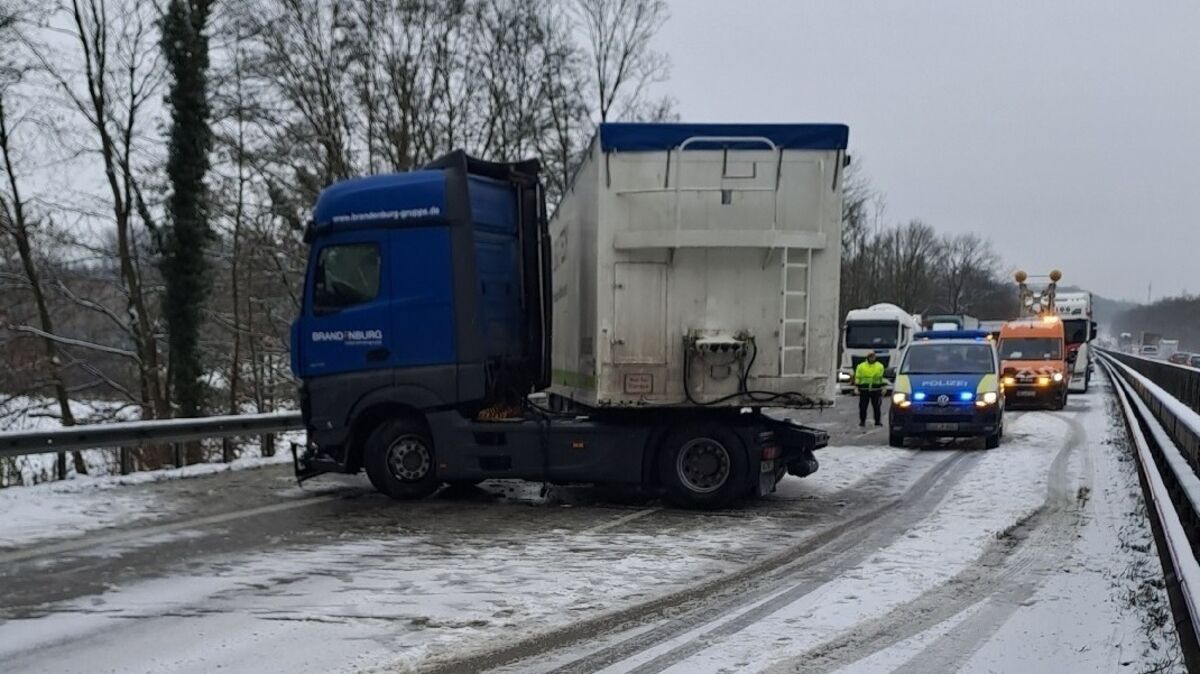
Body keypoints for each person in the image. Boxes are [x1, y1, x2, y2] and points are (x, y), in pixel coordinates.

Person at [855, 352, 886, 427]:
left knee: (877, 406)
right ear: (868, 358)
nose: (872, 358)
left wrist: (884, 387)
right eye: (871, 357)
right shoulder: (861, 366)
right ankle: (862, 421)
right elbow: (858, 377)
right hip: (864, 389)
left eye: (873, 357)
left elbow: (882, 378)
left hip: (875, 389)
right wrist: (856, 387)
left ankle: (877, 421)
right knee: (863, 407)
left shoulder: (880, 366)